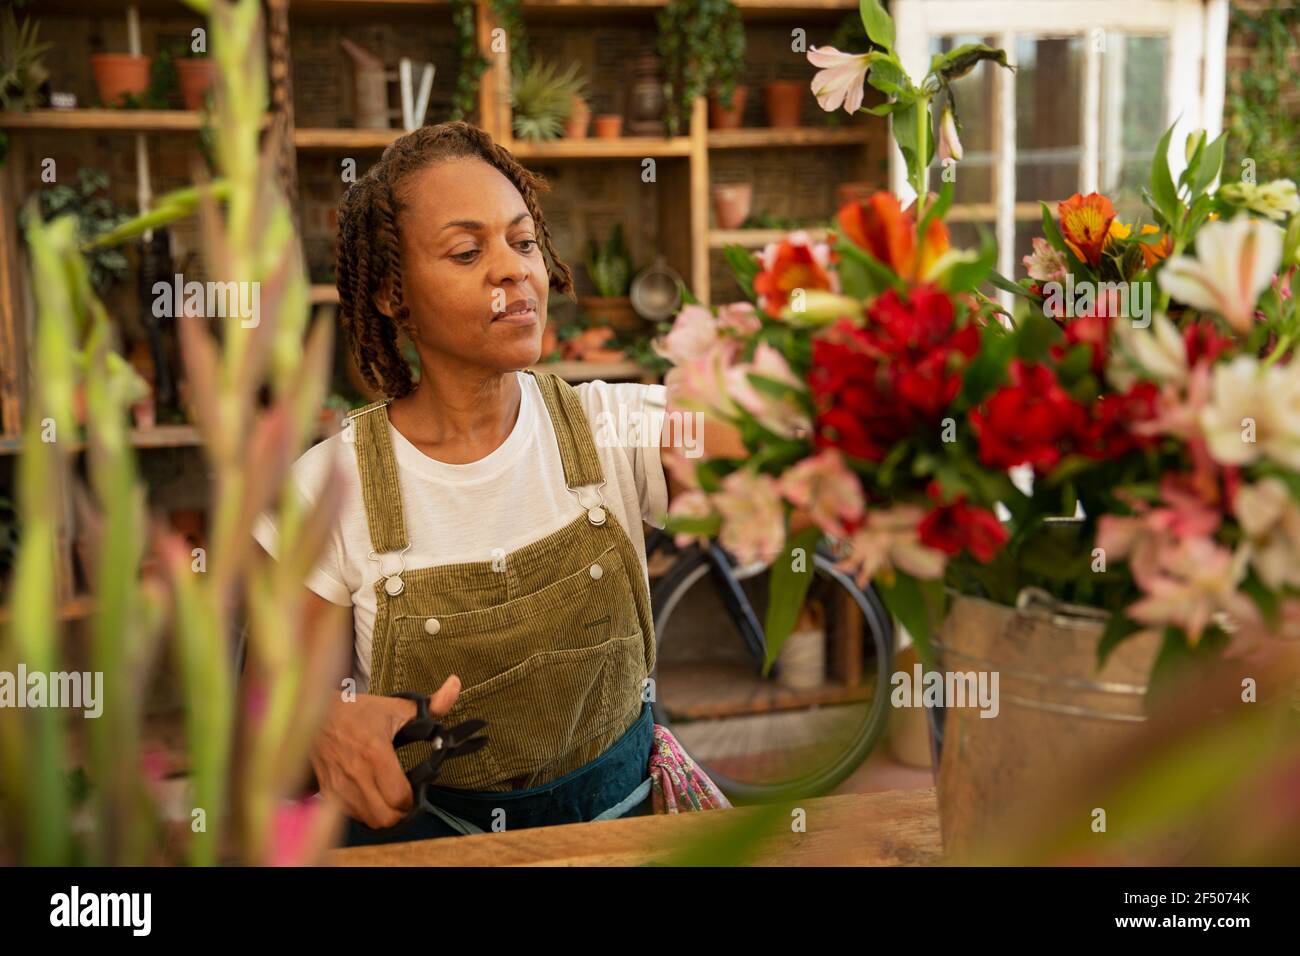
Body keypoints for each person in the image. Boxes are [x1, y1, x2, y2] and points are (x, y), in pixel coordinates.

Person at [253, 121, 739, 844]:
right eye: (466, 251)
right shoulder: (327, 491)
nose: (514, 270)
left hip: (626, 841)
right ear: (392, 294)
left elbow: (775, 438)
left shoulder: (612, 427)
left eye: (524, 241)